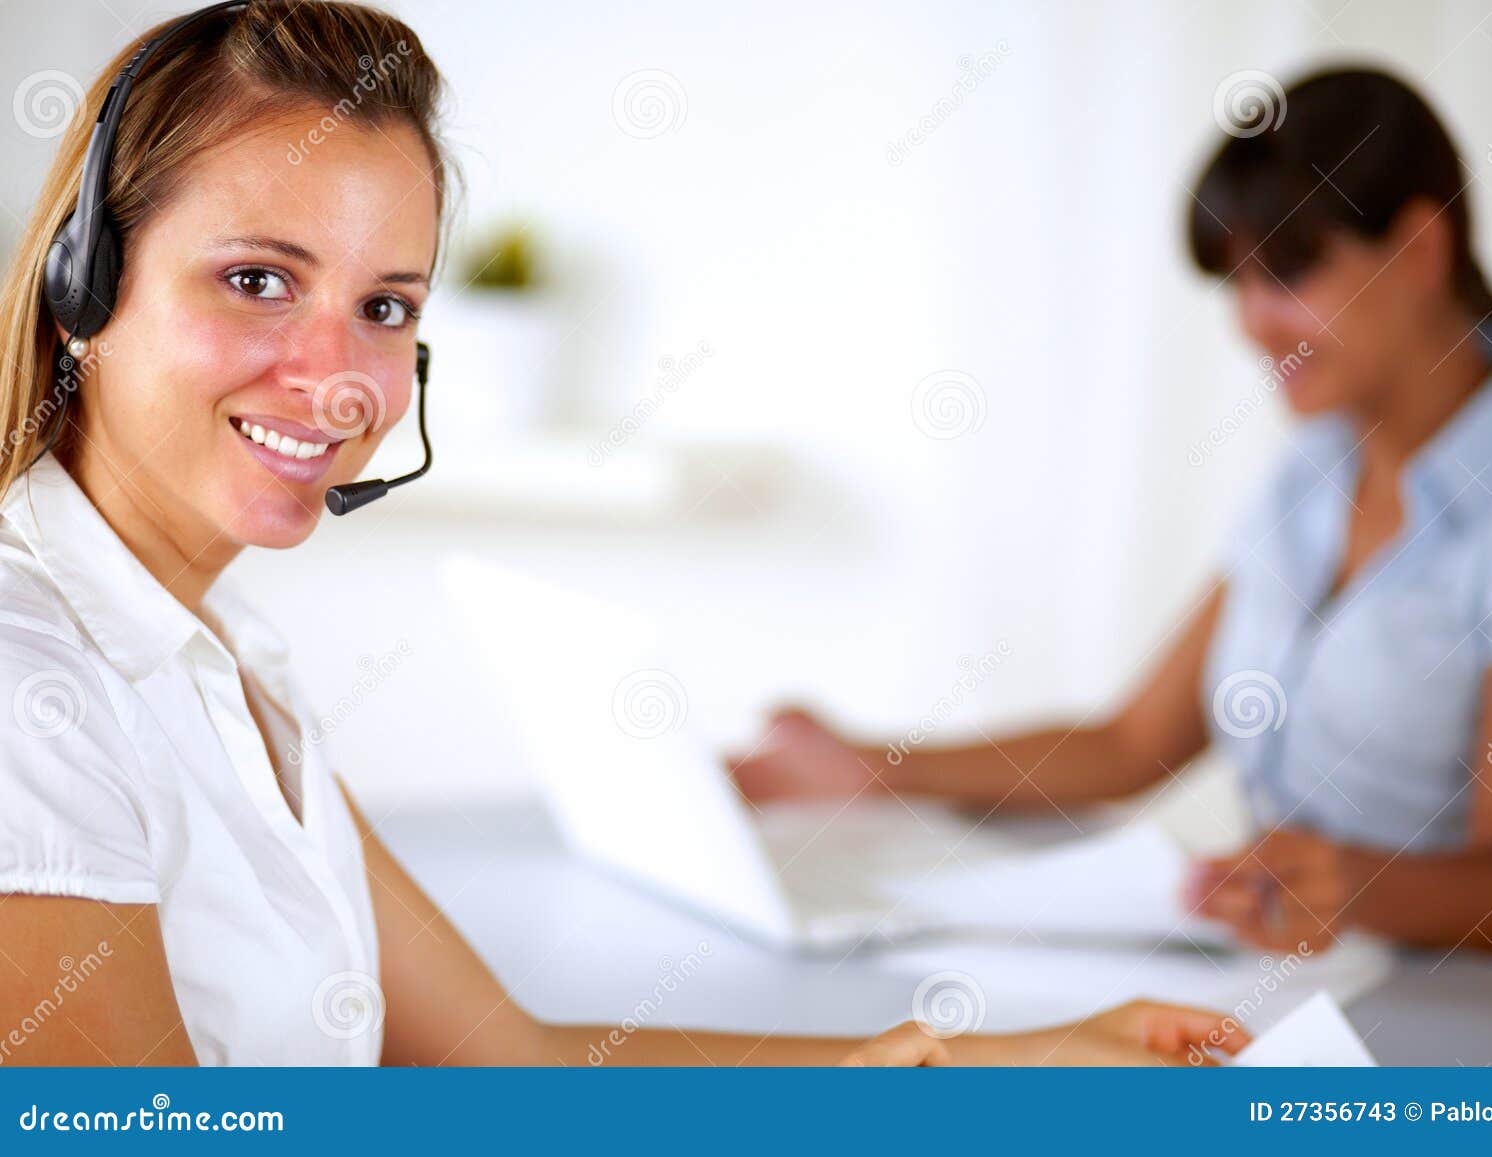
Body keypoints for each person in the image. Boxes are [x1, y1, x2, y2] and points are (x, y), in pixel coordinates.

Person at [0, 1, 1246, 1067]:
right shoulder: (28, 682)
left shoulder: (230, 667)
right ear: (83, 286)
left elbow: (520, 1064)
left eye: (384, 306)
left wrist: (992, 1060)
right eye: (259, 279)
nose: (337, 379)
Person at [735, 67, 1492, 957]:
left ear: (1420, 248)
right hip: (1302, 984)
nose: (1252, 323)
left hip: (1479, 1037)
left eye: (1290, 273)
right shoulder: (1308, 474)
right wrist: (873, 768)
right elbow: (1134, 741)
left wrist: (1350, 880)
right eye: (1238, 281)